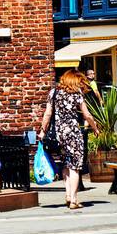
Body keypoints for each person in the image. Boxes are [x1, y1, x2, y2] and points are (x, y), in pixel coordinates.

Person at [37, 68, 99, 210]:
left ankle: (68, 195)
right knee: (75, 167)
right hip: (73, 133)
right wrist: (95, 128)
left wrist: (42, 131)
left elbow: (47, 114)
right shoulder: (76, 94)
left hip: (59, 134)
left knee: (65, 164)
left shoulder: (54, 93)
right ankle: (74, 200)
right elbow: (87, 115)